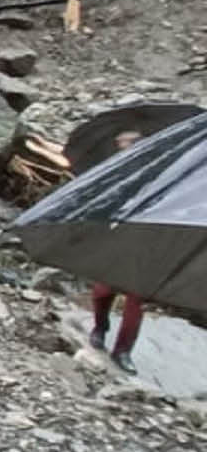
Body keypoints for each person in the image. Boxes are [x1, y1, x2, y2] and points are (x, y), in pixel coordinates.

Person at [91, 131, 147, 373]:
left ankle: (123, 351)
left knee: (137, 300)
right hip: (116, 238)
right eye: (120, 143)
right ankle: (100, 327)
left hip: (147, 242)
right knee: (103, 291)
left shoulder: (155, 172)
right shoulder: (112, 171)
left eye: (125, 142)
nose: (120, 145)